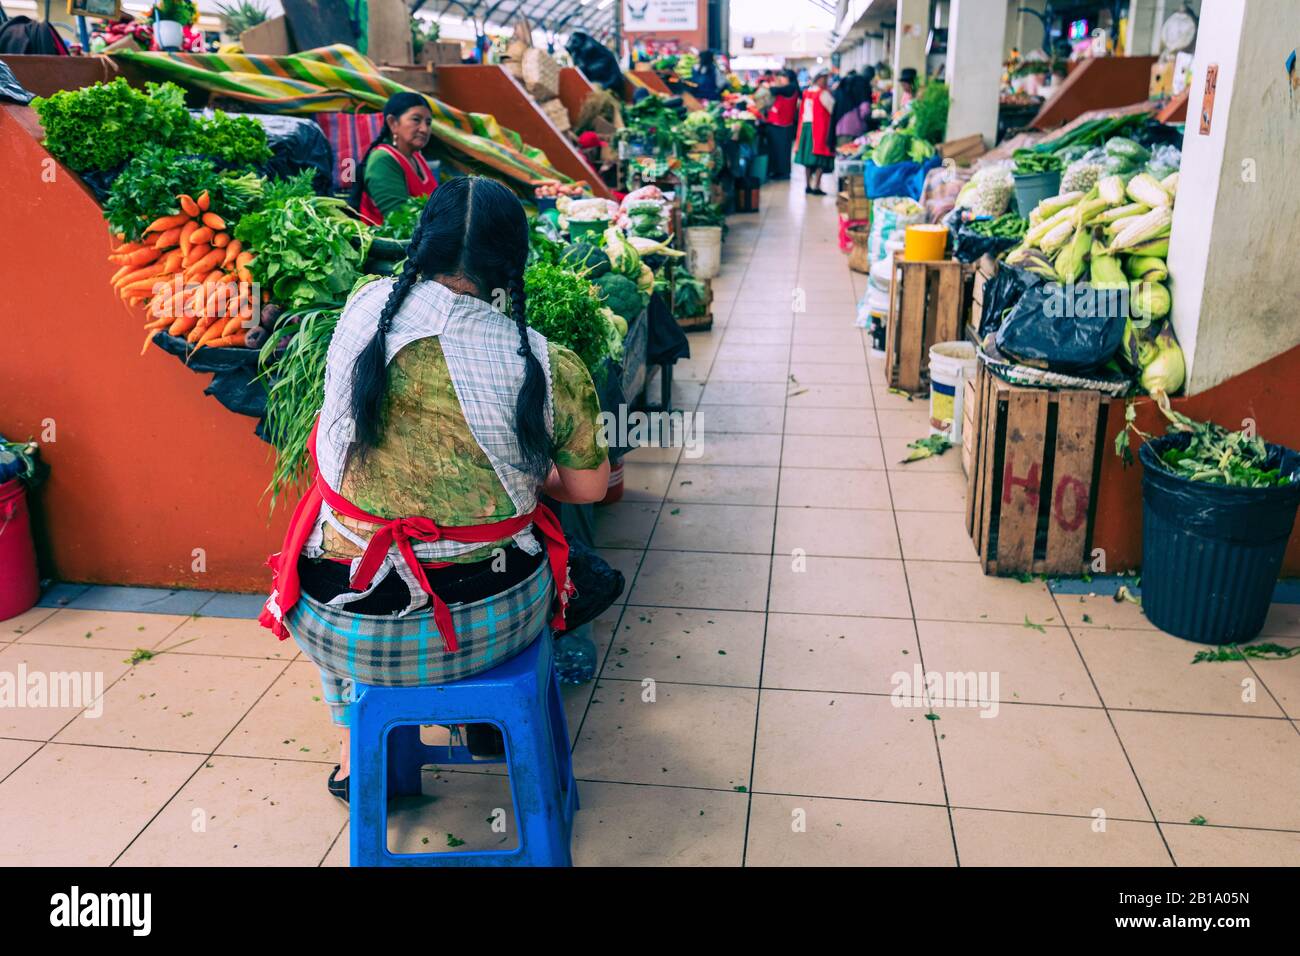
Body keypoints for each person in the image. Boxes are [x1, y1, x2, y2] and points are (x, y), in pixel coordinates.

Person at [259, 176, 611, 801]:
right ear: (514, 262)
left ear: (422, 243)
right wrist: (528, 477)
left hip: (339, 625)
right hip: (486, 622)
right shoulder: (545, 363)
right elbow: (586, 490)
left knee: (333, 546)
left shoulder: (366, 306)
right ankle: (483, 723)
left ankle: (355, 757)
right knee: (586, 571)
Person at [351, 92, 439, 226]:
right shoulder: (382, 161)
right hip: (391, 244)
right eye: (416, 120)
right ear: (393, 123)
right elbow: (400, 220)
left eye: (428, 122)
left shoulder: (417, 157)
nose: (424, 129)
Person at [793, 70, 835, 195]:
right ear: (819, 79)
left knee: (807, 160)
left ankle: (807, 185)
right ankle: (816, 186)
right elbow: (832, 108)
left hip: (805, 128)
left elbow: (800, 108)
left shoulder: (806, 93)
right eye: (825, 79)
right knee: (819, 159)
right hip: (819, 130)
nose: (826, 81)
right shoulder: (823, 94)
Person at [765, 68, 800, 181]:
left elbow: (774, 90)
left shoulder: (791, 88)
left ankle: (783, 173)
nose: (781, 79)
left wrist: (768, 86)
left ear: (789, 78)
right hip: (779, 123)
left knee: (781, 150)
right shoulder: (790, 88)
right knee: (778, 149)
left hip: (782, 124)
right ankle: (778, 171)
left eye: (783, 77)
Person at [829, 73, 871, 149]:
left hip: (839, 131)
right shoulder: (862, 94)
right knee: (852, 155)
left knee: (842, 155)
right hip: (856, 132)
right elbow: (865, 113)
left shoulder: (838, 92)